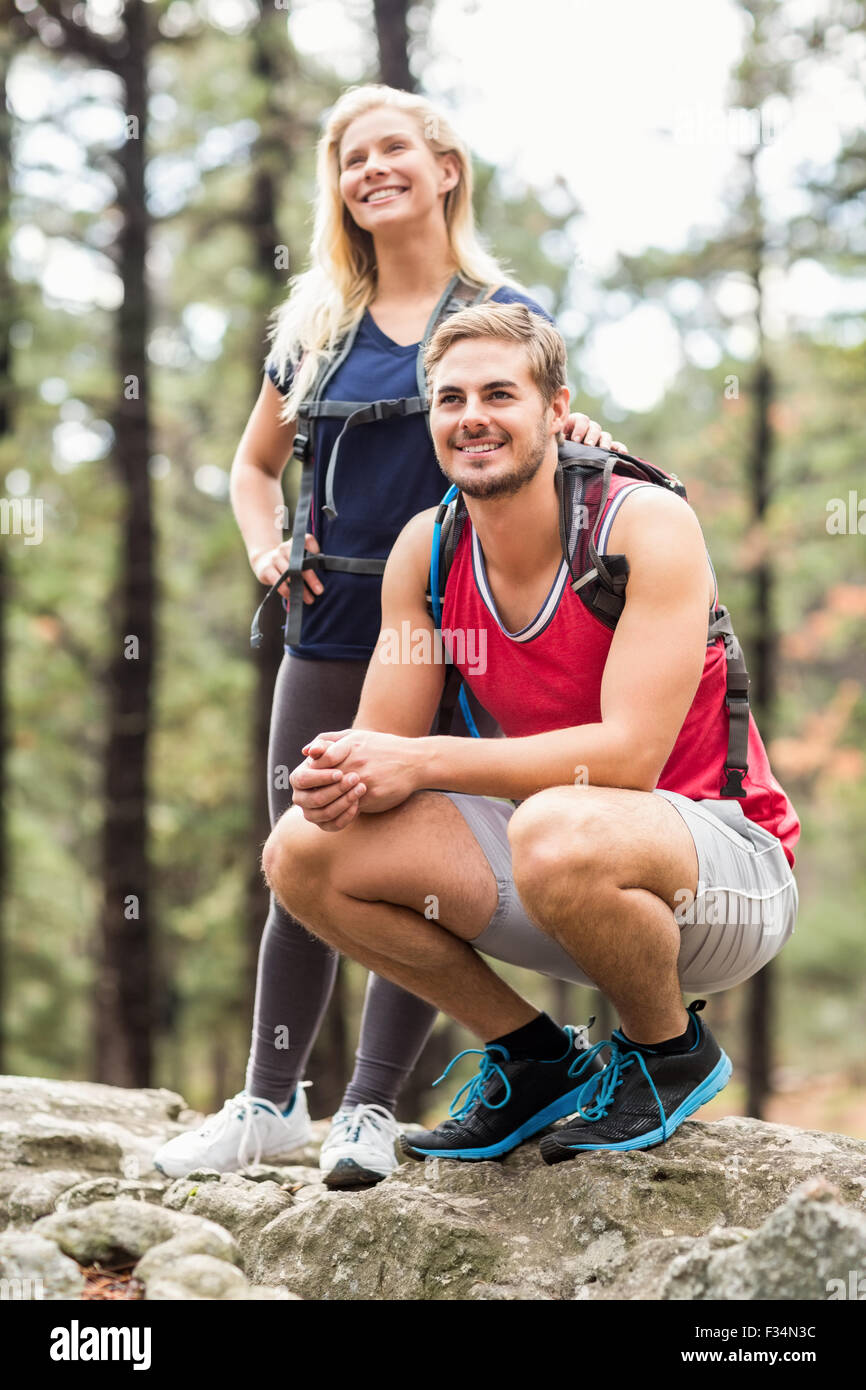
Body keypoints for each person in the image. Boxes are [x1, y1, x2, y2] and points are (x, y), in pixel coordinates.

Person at [152, 85, 626, 1186]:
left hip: (447, 641)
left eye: (392, 149)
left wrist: (585, 430)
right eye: (350, 157)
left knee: (411, 867)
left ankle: (368, 1107)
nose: (370, 169)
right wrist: (268, 550)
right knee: (303, 858)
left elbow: (544, 438)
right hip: (325, 633)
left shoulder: (507, 309)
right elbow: (249, 466)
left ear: (444, 167)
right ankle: (268, 1102)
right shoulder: (315, 323)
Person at [260, 302, 800, 1163]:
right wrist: (343, 777)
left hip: (725, 874)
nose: (472, 416)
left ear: (556, 410)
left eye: (500, 394)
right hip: (566, 870)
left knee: (555, 822)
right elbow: (380, 754)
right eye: (450, 399)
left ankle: (667, 1053)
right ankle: (538, 1060)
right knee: (302, 850)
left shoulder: (639, 525)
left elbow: (626, 758)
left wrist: (423, 759)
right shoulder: (427, 551)